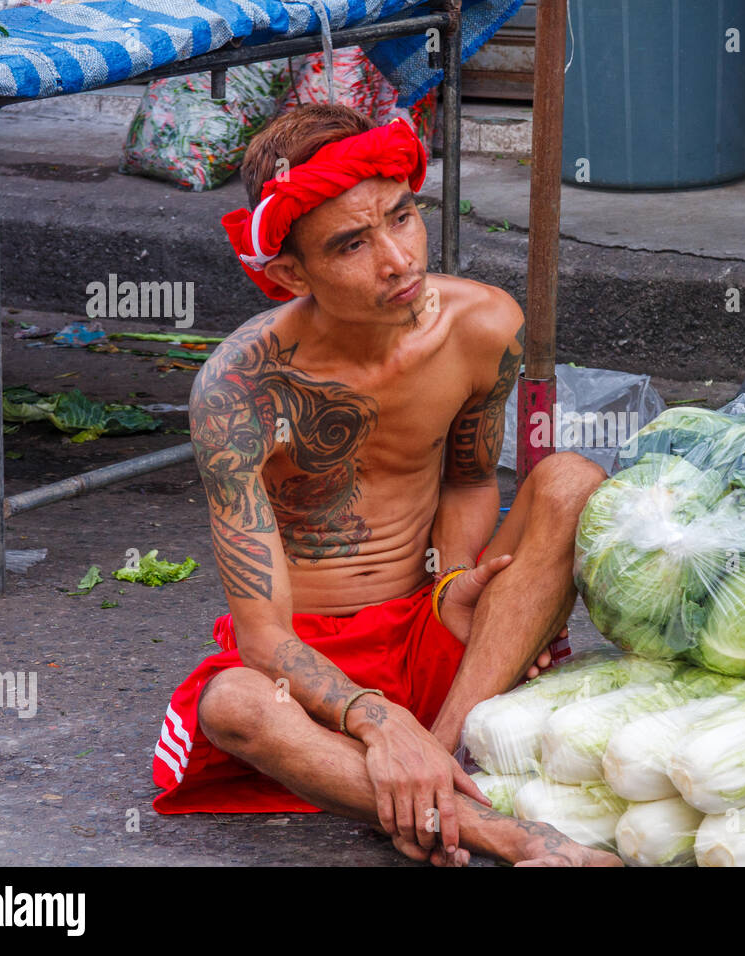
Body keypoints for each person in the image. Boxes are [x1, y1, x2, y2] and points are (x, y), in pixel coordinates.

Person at [151, 104, 619, 867]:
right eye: (351, 244)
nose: (398, 260)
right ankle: (494, 828)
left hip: (439, 629)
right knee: (231, 704)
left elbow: (469, 482)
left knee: (570, 480)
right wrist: (373, 719)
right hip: (313, 668)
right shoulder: (238, 392)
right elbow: (265, 635)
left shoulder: (484, 325)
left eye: (402, 218)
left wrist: (457, 584)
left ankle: (437, 762)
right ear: (289, 273)